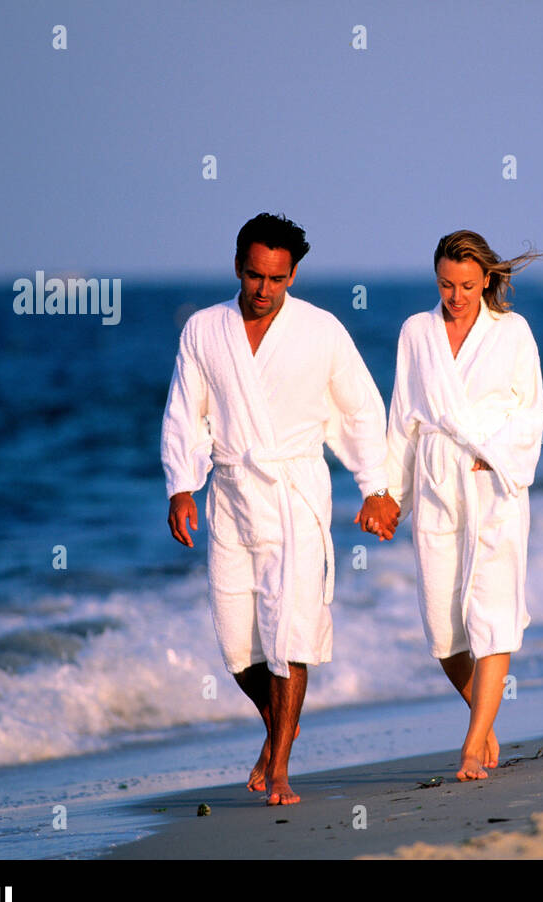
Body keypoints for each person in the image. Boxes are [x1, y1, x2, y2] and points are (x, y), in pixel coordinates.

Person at [161, 213, 399, 805]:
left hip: (294, 495)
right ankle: (280, 727)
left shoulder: (321, 331)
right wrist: (181, 485)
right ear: (237, 266)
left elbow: (361, 411)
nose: (263, 289)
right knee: (239, 646)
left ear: (293, 274)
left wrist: (375, 485)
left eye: (276, 278)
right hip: (233, 495)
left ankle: (282, 769)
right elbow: (185, 412)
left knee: (288, 635)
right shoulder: (203, 330)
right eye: (253, 275)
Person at [373, 230, 543, 782]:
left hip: (492, 486)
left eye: (467, 285)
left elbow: (531, 413)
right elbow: (403, 417)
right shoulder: (416, 333)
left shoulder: (512, 332)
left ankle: (472, 746)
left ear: (487, 280)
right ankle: (484, 715)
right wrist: (387, 494)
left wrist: (495, 456)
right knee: (445, 631)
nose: (456, 296)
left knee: (492, 617)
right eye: (447, 284)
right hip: (435, 485)